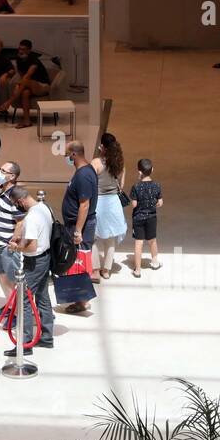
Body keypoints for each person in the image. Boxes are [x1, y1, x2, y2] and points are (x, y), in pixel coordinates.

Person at [7, 185, 55, 354]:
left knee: (25, 301)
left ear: (20, 201)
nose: (16, 207)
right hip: (46, 258)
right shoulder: (44, 208)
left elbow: (32, 246)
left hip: (34, 262)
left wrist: (15, 247)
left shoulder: (32, 218)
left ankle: (25, 344)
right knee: (43, 298)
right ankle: (47, 337)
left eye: (15, 204)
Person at [54, 140, 97, 312]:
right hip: (74, 225)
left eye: (66, 154)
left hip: (81, 227)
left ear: (74, 154)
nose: (66, 157)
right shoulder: (83, 171)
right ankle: (80, 297)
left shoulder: (84, 175)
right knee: (75, 259)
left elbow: (84, 205)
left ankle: (82, 300)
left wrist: (78, 230)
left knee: (79, 260)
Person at [91, 133, 129, 281]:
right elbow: (121, 185)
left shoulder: (96, 163)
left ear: (102, 146)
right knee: (111, 239)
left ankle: (95, 269)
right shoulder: (119, 163)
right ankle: (106, 270)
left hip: (99, 203)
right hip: (114, 203)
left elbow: (90, 183)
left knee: (92, 237)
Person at [0, 160, 24, 311]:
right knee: (1, 275)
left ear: (12, 176)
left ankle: (18, 313)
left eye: (3, 171)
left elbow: (21, 221)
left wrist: (14, 240)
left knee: (12, 280)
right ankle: (11, 306)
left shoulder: (15, 195)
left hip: (7, 247)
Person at [0, 39, 51, 129]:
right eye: (20, 49)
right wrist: (19, 85)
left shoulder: (34, 60)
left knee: (25, 82)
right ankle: (27, 121)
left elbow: (27, 77)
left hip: (42, 86)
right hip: (29, 85)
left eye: (24, 49)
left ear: (29, 50)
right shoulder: (19, 59)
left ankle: (8, 103)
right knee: (25, 93)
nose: (21, 51)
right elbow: (21, 76)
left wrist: (17, 88)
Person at [128, 158, 163, 278]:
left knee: (139, 243)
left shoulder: (136, 187)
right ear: (152, 170)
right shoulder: (156, 186)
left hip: (138, 218)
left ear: (139, 172)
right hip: (152, 217)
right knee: (152, 240)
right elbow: (160, 202)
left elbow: (134, 204)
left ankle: (137, 270)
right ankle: (155, 262)